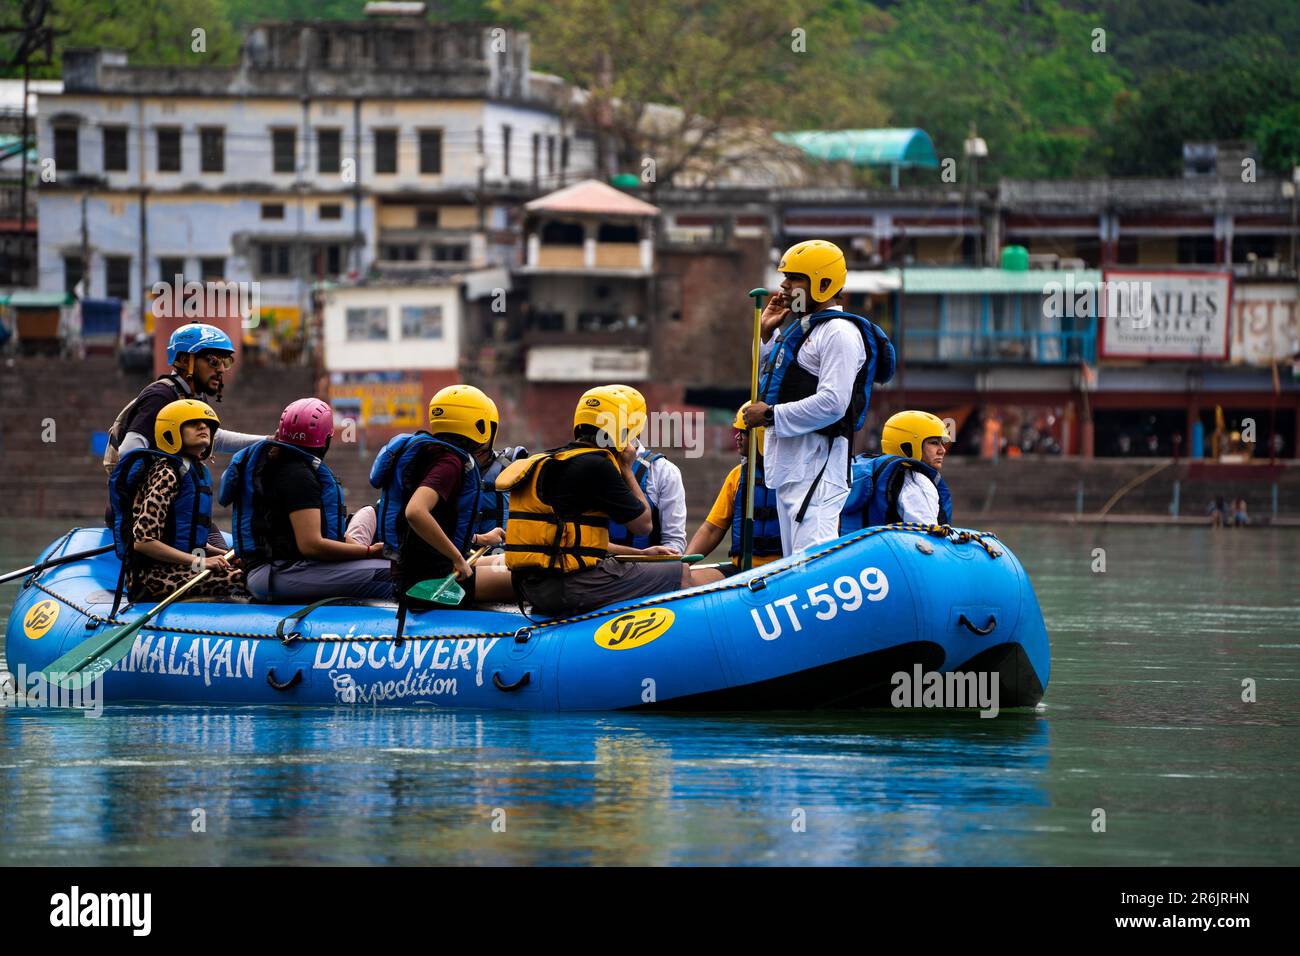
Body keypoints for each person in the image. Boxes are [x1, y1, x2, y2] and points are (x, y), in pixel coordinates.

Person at [742, 239, 895, 555]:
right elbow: (767, 379)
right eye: (785, 278)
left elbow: (833, 403)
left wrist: (770, 415)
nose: (784, 286)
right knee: (793, 564)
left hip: (817, 468)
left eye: (794, 278)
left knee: (810, 562)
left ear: (823, 284)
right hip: (789, 468)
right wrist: (766, 333)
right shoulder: (800, 330)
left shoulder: (839, 333)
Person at [495, 385, 693, 615]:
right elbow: (643, 525)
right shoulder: (598, 465)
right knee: (682, 574)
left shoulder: (550, 460)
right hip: (569, 588)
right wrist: (627, 469)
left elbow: (576, 543)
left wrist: (641, 554)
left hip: (530, 588)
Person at [218, 398, 392, 602]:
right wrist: (370, 552)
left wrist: (362, 550)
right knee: (391, 573)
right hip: (279, 574)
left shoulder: (275, 462)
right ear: (325, 439)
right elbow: (311, 545)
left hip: (279, 569)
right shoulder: (297, 475)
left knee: (383, 558)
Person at [369, 385, 515, 607]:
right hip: (432, 583)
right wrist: (458, 559)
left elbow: (434, 523)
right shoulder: (449, 463)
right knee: (527, 578)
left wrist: (481, 539)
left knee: (509, 560)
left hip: (418, 572)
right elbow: (415, 512)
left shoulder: (431, 454)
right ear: (478, 424)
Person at [108, 399, 244, 607]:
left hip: (184, 567)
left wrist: (219, 554)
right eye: (193, 423)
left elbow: (183, 536)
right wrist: (200, 562)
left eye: (206, 424)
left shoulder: (196, 471)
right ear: (170, 432)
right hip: (154, 578)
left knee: (252, 568)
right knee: (248, 580)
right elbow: (143, 541)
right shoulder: (166, 473)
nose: (203, 427)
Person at [103, 323, 265, 473]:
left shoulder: (194, 397)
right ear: (185, 360)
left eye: (225, 362)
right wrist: (168, 477)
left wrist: (268, 441)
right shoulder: (161, 396)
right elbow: (130, 451)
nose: (222, 369)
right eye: (213, 361)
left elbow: (215, 438)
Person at [686, 402, 782, 583]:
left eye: (744, 433)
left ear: (761, 435)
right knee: (683, 580)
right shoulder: (737, 476)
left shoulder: (791, 477)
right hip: (740, 570)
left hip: (781, 572)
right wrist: (685, 563)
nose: (737, 437)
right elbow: (712, 529)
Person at [604, 384, 688, 556]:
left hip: (644, 571)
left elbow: (674, 542)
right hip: (593, 568)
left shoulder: (664, 471)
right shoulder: (585, 465)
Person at [841, 410, 954, 530]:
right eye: (934, 443)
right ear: (908, 445)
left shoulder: (870, 471)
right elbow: (927, 537)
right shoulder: (916, 481)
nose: (942, 450)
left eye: (941, 444)